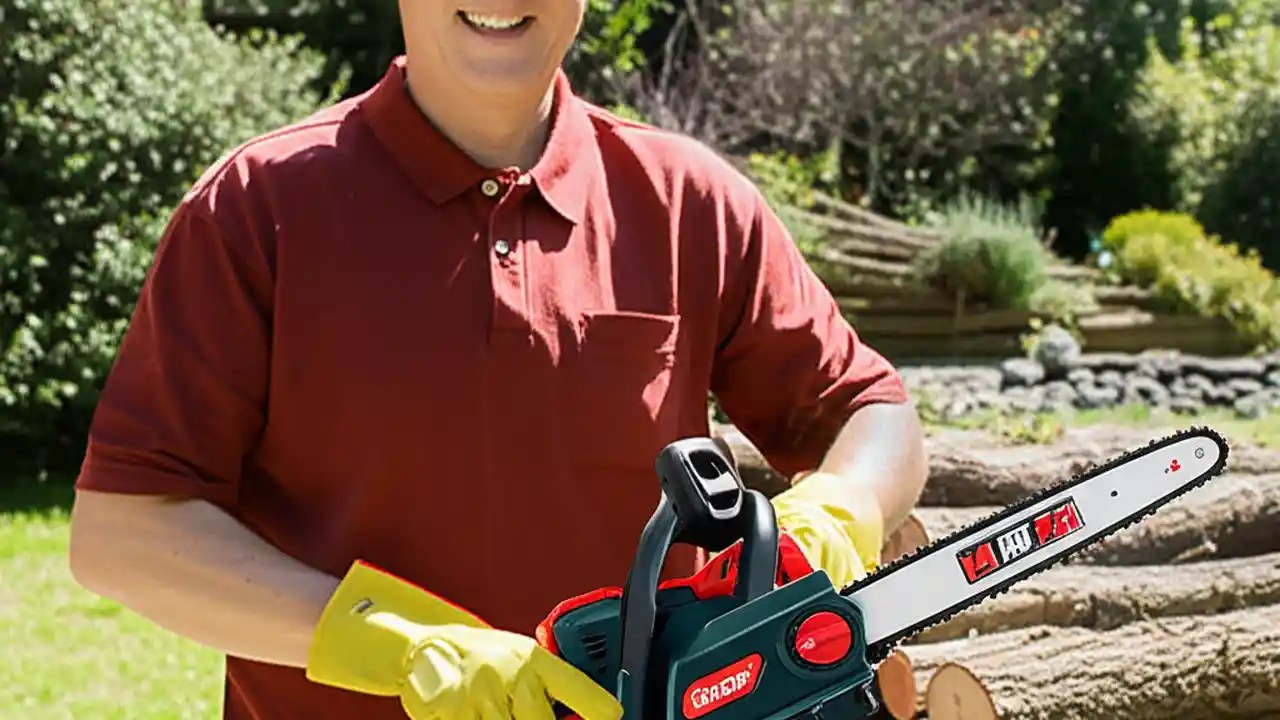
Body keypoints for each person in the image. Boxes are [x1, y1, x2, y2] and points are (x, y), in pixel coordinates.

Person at [65, 0, 929, 717]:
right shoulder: (256, 208)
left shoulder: (688, 202)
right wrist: (391, 642)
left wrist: (838, 511)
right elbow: (125, 533)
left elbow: (874, 415)